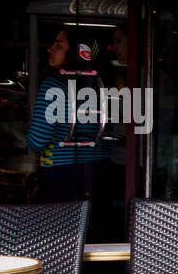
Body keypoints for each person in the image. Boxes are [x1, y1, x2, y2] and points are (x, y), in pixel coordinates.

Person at [27, 29, 116, 235]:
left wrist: (25, 136)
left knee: (54, 248)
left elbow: (38, 140)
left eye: (59, 45)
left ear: (76, 53)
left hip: (60, 179)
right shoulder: (103, 88)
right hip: (100, 178)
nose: (50, 49)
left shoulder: (53, 85)